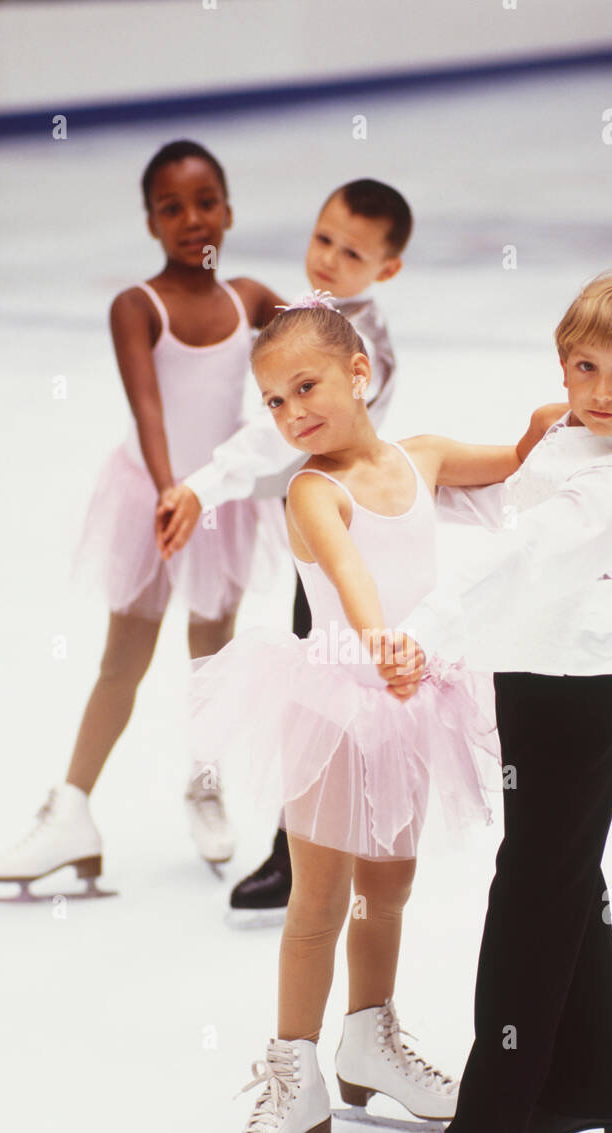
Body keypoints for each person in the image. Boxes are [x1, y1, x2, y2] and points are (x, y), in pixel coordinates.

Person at [186, 295, 564, 1133]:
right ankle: (294, 1076)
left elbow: (512, 462)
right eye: (274, 402)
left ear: (361, 374)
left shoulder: (418, 457)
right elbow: (351, 572)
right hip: (338, 699)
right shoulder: (312, 488)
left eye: (305, 386)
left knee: (388, 889)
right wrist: (383, 640)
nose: (291, 414)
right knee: (318, 901)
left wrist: (546, 427)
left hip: (409, 704)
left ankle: (372, 1036)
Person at [390, 271, 612, 1133]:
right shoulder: (569, 441)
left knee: (529, 902)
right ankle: (600, 1088)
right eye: (585, 366)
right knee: (567, 888)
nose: (602, 389)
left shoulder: (611, 480)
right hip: (528, 689)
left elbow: (521, 551)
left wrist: (429, 624)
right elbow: (508, 516)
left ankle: (493, 1122)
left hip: (574, 704)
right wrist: (410, 493)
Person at [0, 140, 282, 899]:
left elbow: (320, 343)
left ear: (231, 210)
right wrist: (167, 492)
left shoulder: (249, 299)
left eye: (206, 201)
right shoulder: (137, 306)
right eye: (171, 207)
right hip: (155, 500)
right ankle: (72, 810)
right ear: (150, 222)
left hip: (217, 499)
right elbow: (148, 407)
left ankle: (204, 783)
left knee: (212, 654)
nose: (192, 219)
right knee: (125, 658)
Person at [155, 178, 413, 924]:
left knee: (324, 695)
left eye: (353, 251)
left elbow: (280, 432)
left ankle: (303, 858)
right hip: (323, 530)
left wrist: (206, 481)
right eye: (324, 238)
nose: (328, 258)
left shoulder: (356, 347)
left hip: (345, 538)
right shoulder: (314, 318)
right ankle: (310, 849)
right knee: (322, 693)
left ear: (386, 269)